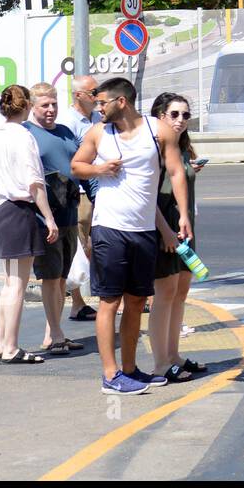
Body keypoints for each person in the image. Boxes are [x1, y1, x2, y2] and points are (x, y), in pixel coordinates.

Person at [71, 78, 192, 395]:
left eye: (102, 103)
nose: (98, 108)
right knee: (109, 301)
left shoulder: (158, 131)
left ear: (121, 102)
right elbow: (77, 165)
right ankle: (110, 375)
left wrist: (181, 214)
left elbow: (177, 171)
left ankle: (130, 369)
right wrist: (100, 170)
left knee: (137, 301)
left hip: (143, 231)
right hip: (109, 228)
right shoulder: (99, 133)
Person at [0, 85, 59, 365]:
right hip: (18, 209)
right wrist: (49, 218)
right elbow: (35, 183)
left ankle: (2, 342)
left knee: (10, 282)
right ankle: (11, 347)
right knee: (18, 284)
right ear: (26, 106)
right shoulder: (24, 136)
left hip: (0, 209)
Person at [147, 93, 208, 382]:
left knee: (180, 292)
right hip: (165, 226)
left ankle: (174, 355)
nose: (181, 120)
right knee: (164, 294)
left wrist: (189, 171)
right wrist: (164, 231)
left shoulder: (181, 147)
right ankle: (161, 362)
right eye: (174, 114)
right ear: (160, 115)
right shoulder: (155, 145)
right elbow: (149, 194)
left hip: (185, 226)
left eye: (186, 115)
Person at [22, 83, 84, 355]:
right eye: (44, 105)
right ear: (32, 107)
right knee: (50, 277)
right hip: (44, 219)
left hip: (69, 213)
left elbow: (80, 166)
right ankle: (56, 334)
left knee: (61, 279)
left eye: (54, 104)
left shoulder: (66, 133)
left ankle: (52, 332)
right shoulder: (26, 134)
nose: (50, 110)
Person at [60, 75, 100, 320]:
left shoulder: (97, 118)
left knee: (99, 243)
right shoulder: (68, 121)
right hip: (82, 190)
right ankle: (77, 301)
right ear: (78, 95)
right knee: (81, 245)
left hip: (101, 187)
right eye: (93, 92)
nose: (97, 97)